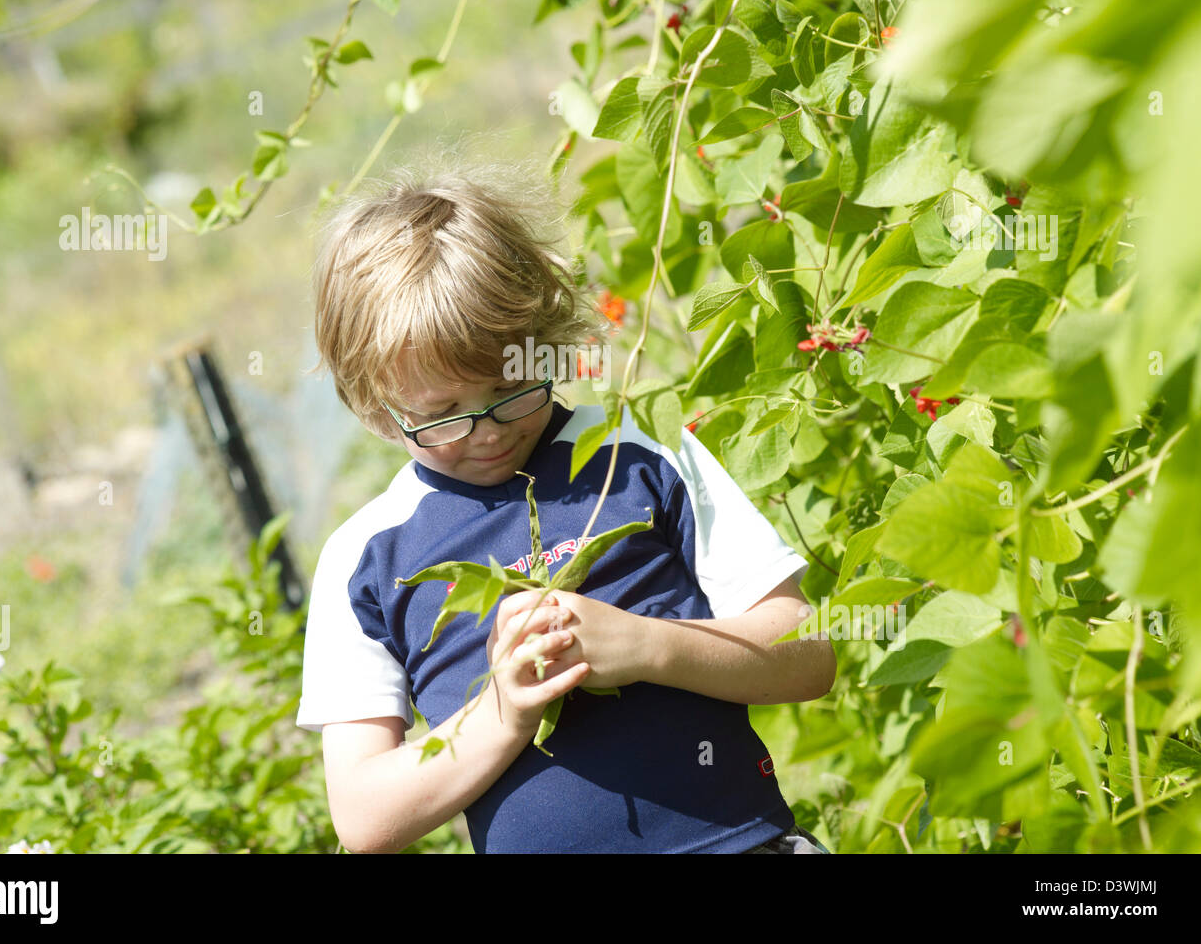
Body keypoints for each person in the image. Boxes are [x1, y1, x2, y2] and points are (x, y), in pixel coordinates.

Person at [296, 150, 836, 854]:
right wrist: (503, 711)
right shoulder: (366, 557)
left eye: (510, 387)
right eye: (444, 412)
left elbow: (809, 649)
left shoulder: (641, 451)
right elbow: (366, 817)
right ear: (374, 407)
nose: (487, 429)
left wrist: (646, 646)